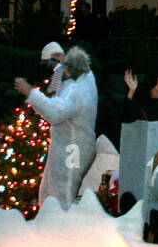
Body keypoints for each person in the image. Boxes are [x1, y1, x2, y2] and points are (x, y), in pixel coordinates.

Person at [13, 46, 98, 211]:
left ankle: (60, 230)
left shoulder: (75, 90)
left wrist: (30, 92)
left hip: (72, 149)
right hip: (75, 145)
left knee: (64, 195)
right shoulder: (86, 78)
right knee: (58, 192)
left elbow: (56, 112)